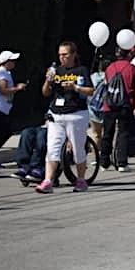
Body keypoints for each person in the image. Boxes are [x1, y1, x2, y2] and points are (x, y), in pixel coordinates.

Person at [36, 41, 94, 193]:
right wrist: (48, 80)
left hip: (76, 115)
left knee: (78, 149)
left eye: (65, 54)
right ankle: (48, 180)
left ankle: (81, 180)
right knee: (52, 148)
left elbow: (90, 90)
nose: (62, 58)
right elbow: (45, 92)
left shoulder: (81, 70)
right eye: (60, 55)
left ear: (73, 54)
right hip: (57, 115)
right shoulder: (56, 71)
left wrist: (75, 87)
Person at [100, 46, 135, 171]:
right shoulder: (132, 68)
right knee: (123, 133)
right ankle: (122, 162)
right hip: (125, 103)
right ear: (129, 55)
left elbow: (106, 83)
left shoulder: (109, 68)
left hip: (109, 104)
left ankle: (104, 161)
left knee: (107, 133)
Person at [0, 50, 27, 167]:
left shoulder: (6, 73)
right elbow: (3, 90)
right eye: (12, 61)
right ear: (6, 62)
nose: (14, 63)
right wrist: (18, 88)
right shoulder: (2, 73)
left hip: (3, 109)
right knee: (3, 132)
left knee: (1, 133)